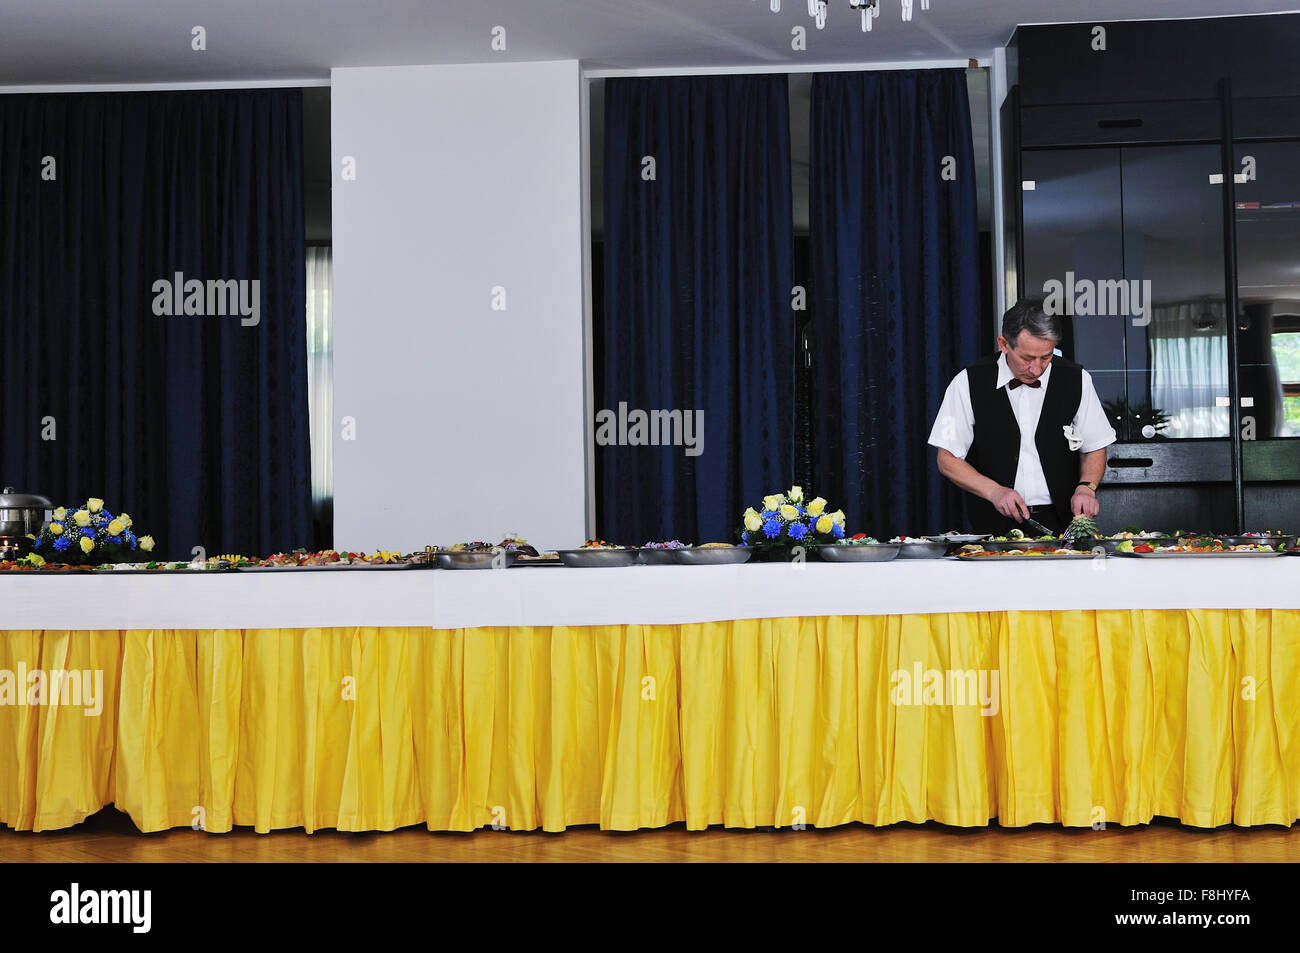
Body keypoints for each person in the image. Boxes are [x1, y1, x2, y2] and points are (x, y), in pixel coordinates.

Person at [927, 298, 1117, 535]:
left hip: (1063, 523)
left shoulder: (1076, 379)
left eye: (1046, 357)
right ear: (1004, 344)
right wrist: (994, 491)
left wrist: (1086, 487)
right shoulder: (968, 382)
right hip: (992, 523)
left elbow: (1094, 446)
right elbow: (947, 458)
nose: (1036, 369)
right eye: (1027, 358)